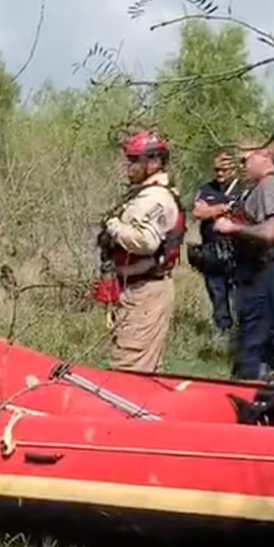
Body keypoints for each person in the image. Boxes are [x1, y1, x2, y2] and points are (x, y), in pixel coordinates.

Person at [214, 141, 274, 380]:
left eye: (245, 159)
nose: (241, 165)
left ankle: (246, 393)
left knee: (253, 343)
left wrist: (231, 227)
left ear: (265, 155)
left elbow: (269, 231)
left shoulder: (270, 185)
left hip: (266, 271)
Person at [95, 130, 185, 372]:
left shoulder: (155, 198)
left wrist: (114, 227)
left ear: (154, 163)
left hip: (145, 290)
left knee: (129, 367)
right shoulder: (146, 193)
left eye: (135, 161)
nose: (129, 167)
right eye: (129, 160)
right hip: (136, 286)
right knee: (142, 366)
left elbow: (146, 241)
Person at [191, 151, 240, 336]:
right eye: (217, 170)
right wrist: (224, 208)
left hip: (238, 251)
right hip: (212, 251)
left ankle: (241, 335)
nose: (220, 174)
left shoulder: (243, 189)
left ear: (234, 170)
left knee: (240, 295)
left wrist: (210, 211)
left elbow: (242, 213)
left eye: (224, 170)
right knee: (217, 293)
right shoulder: (206, 188)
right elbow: (197, 213)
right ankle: (222, 331)